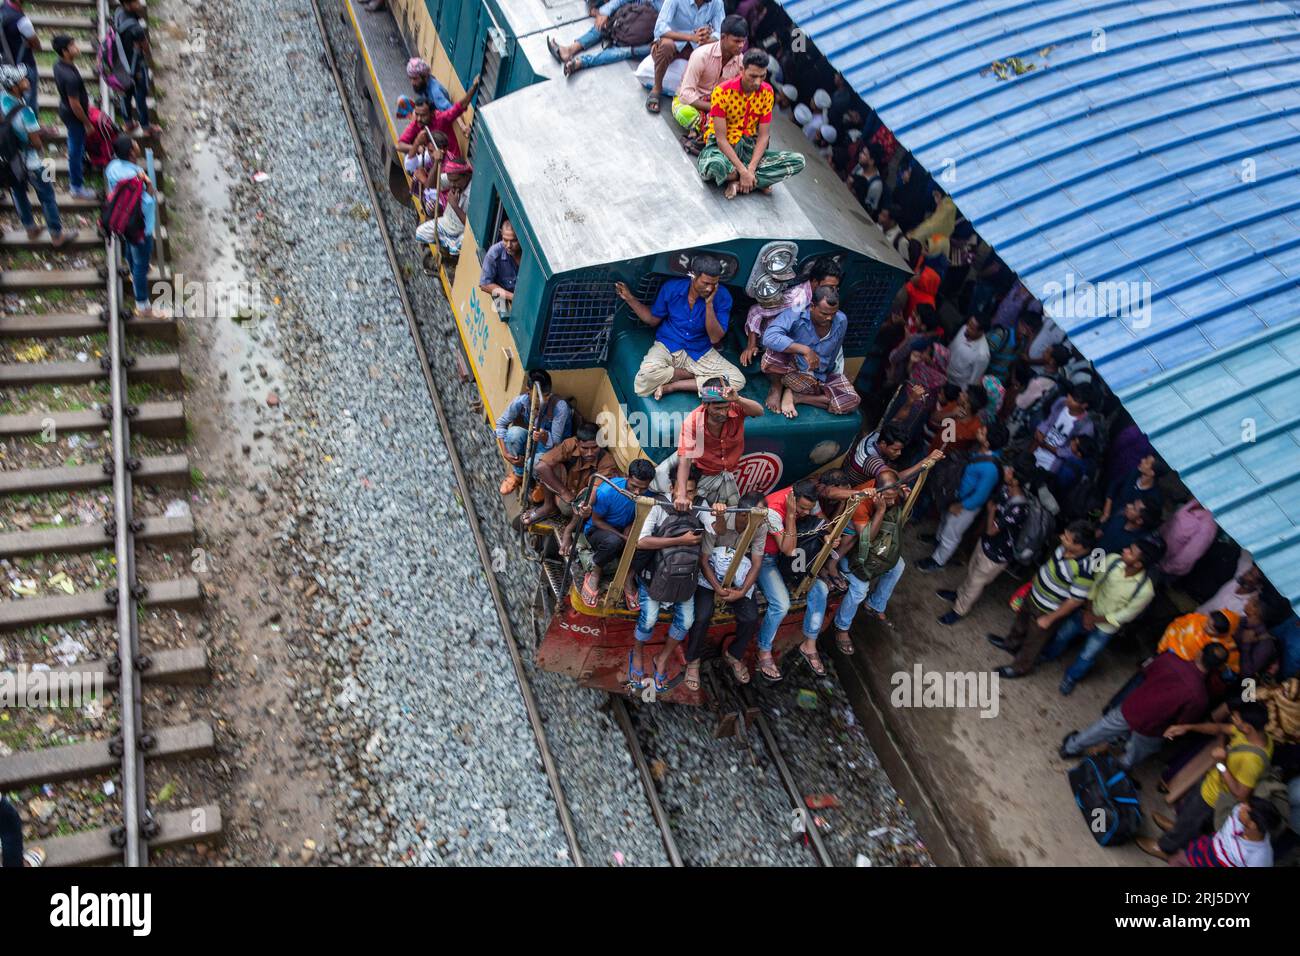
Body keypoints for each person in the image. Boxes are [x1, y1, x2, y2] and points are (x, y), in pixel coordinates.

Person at [1139, 701, 1275, 860]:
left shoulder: (1253, 761)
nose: (1233, 719)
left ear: (1247, 727)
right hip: (1210, 782)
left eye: (1237, 719)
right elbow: (1219, 728)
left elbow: (1241, 795)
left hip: (1213, 798)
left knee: (1192, 818)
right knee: (1187, 813)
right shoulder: (1253, 734)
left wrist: (1222, 764)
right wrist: (1188, 727)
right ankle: (1178, 829)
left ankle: (1165, 847)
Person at [1059, 643, 1226, 772]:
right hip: (1154, 728)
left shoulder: (1169, 659)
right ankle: (1117, 768)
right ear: (1217, 668)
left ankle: (1070, 748)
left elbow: (1145, 671)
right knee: (1136, 753)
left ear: (1199, 652)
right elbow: (1182, 723)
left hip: (1135, 706)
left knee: (1103, 728)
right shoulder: (1200, 696)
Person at [805, 472, 908, 657]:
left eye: (894, 497)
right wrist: (881, 510)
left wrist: (902, 499)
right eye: (888, 499)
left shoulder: (892, 491)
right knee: (860, 588)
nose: (892, 502)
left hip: (868, 547)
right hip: (852, 553)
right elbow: (866, 539)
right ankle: (842, 628)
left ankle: (875, 605)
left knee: (898, 565)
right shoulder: (861, 501)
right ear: (878, 491)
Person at [1042, 535, 1162, 695]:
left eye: (1130, 552)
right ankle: (1048, 655)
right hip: (1088, 610)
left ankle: (1071, 677)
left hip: (1106, 626)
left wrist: (1094, 619)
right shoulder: (1112, 560)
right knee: (1063, 634)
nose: (1125, 550)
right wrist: (1088, 611)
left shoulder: (1146, 590)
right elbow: (1093, 583)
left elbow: (1126, 615)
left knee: (1088, 654)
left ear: (1138, 564)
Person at [620, 254, 745, 399]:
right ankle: (687, 375)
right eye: (706, 283)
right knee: (643, 383)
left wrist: (709, 304)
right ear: (693, 276)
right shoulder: (672, 288)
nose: (710, 288)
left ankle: (675, 386)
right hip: (668, 345)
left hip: (700, 350)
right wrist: (630, 299)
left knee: (737, 382)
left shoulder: (722, 296)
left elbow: (714, 338)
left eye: (714, 284)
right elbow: (652, 319)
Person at [989, 520, 1099, 679]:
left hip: (1047, 609)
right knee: (1021, 622)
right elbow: (1050, 565)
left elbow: (1076, 600)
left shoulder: (1086, 569)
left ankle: (1020, 667)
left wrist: (1050, 618)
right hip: (1034, 595)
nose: (1062, 538)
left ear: (1080, 546)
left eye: (1067, 538)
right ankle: (1011, 644)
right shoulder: (1064, 548)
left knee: (1034, 641)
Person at [683, 490, 767, 689]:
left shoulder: (760, 527)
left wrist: (742, 590)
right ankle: (693, 659)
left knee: (750, 617)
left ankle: (734, 654)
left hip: (738, 576)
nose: (764, 518)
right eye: (761, 514)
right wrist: (717, 588)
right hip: (710, 576)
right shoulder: (720, 519)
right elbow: (703, 561)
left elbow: (756, 563)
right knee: (702, 616)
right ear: (743, 514)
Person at [697, 49, 806, 199]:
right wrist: (743, 171)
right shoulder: (722, 92)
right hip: (722, 148)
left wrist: (751, 169)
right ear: (742, 70)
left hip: (749, 149)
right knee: (717, 165)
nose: (758, 82)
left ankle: (738, 183)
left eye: (762, 76)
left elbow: (763, 137)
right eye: (753, 76)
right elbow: (721, 139)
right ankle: (750, 180)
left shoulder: (767, 92)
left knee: (798, 161)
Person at [638, 470, 710, 691]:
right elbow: (641, 542)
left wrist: (719, 514)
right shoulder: (658, 505)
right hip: (655, 574)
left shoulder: (700, 505)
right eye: (682, 491)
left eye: (691, 492)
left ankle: (662, 658)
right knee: (650, 618)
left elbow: (717, 529)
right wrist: (680, 540)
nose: (687, 498)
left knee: (687, 621)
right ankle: (638, 652)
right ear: (671, 489)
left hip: (684, 578)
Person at [937, 461, 1029, 624]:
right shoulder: (1007, 490)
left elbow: (991, 530)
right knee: (972, 572)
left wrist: (991, 511)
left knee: (976, 582)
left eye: (1010, 471)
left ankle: (959, 610)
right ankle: (960, 593)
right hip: (988, 544)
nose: (1007, 470)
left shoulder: (1019, 509)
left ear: (1016, 481)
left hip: (997, 553)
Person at [656, 378, 762, 509]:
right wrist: (682, 495)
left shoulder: (736, 406)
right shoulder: (693, 422)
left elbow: (759, 411)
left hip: (726, 470)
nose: (723, 413)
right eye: (717, 408)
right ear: (705, 404)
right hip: (702, 468)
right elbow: (685, 461)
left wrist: (737, 399)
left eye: (725, 407)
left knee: (728, 512)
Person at [0, 66, 76, 246]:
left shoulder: (2, 99)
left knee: (18, 192)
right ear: (14, 86)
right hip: (32, 162)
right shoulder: (26, 112)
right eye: (23, 79)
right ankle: (57, 235)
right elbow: (36, 144)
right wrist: (40, 134)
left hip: (11, 161)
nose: (27, 80)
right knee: (47, 195)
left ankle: (30, 228)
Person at [917, 421, 1008, 571]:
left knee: (951, 533)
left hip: (966, 506)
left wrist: (960, 505)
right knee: (945, 521)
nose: (978, 430)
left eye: (982, 431)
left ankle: (937, 561)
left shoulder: (990, 468)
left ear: (986, 442)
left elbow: (980, 496)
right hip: (957, 497)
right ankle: (937, 539)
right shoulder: (983, 451)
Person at [753, 479, 820, 682]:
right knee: (781, 605)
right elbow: (789, 550)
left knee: (818, 587)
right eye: (802, 508)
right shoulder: (774, 510)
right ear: (792, 499)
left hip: (788, 556)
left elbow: (817, 518)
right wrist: (791, 515)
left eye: (808, 509)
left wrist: (826, 536)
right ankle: (764, 651)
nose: (806, 512)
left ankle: (810, 643)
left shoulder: (805, 498)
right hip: (766, 559)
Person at [760, 285, 860, 419]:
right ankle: (776, 388)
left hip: (815, 379)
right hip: (791, 372)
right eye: (824, 313)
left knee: (851, 401)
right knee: (773, 353)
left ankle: (797, 397)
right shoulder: (796, 313)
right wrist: (805, 350)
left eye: (833, 313)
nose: (829, 318)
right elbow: (769, 337)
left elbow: (835, 351)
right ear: (812, 306)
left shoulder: (841, 320)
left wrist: (829, 378)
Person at [568, 458, 656, 608]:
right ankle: (595, 571)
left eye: (642, 488)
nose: (637, 492)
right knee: (614, 541)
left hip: (623, 531)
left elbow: (635, 518)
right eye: (634, 486)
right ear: (627, 477)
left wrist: (630, 531)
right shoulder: (608, 491)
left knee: (649, 543)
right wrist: (623, 536)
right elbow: (597, 521)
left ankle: (629, 577)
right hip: (598, 531)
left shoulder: (647, 495)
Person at [740, 257, 842, 367]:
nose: (833, 291)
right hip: (776, 341)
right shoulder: (797, 298)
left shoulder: (826, 300)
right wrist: (751, 345)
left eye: (836, 287)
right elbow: (755, 312)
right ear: (815, 282)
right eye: (829, 287)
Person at [494, 370, 572, 496]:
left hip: (553, 446)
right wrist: (505, 452)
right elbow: (501, 424)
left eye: (547, 396)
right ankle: (519, 473)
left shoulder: (560, 407)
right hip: (534, 438)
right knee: (513, 434)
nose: (544, 400)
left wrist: (544, 436)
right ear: (528, 391)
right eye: (538, 397)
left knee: (533, 463)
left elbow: (556, 442)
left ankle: (540, 481)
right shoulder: (521, 402)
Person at [105, 135, 158, 315]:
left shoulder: (112, 168)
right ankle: (142, 304)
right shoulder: (136, 176)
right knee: (141, 263)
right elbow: (146, 204)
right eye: (134, 144)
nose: (136, 144)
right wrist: (150, 189)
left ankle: (130, 266)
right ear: (131, 153)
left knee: (129, 246)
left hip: (123, 220)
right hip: (141, 226)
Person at [527, 422, 618, 526]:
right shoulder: (571, 444)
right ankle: (549, 505)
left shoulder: (607, 462)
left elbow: (593, 491)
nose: (590, 453)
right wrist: (563, 492)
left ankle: (555, 501)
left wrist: (584, 506)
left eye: (594, 448)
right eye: (584, 448)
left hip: (580, 499)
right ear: (577, 443)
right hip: (566, 487)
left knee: (567, 510)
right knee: (541, 466)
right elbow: (541, 467)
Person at [671, 14, 746, 140]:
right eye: (737, 41)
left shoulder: (741, 62)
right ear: (723, 37)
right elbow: (685, 94)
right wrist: (715, 109)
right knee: (685, 113)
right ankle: (707, 132)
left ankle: (700, 132)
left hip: (718, 107)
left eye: (743, 41)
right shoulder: (701, 55)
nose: (741, 45)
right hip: (693, 104)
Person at [645, 0, 725, 113]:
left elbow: (721, 33)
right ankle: (657, 88)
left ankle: (697, 98)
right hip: (673, 43)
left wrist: (707, 39)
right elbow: (660, 28)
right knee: (667, 45)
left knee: (719, 49)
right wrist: (691, 37)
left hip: (697, 46)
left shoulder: (716, 2)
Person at [548, 0, 660, 77]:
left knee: (624, 52)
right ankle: (570, 50)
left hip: (644, 40)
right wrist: (605, 12)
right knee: (604, 24)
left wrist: (636, 50)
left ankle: (581, 62)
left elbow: (668, 38)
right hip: (627, 20)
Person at [1173, 797, 1280, 867]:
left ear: (1252, 825)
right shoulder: (1238, 811)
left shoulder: (1260, 858)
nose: (1241, 806)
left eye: (1245, 809)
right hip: (1205, 847)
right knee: (1175, 861)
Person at [51, 35, 96, 201]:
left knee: (77, 145)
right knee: (75, 151)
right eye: (72, 45)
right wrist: (87, 122)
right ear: (64, 51)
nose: (76, 47)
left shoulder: (58, 64)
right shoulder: (69, 76)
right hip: (74, 116)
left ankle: (80, 166)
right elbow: (75, 105)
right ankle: (76, 187)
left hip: (65, 111)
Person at [396, 79, 480, 165]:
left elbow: (461, 105)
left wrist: (474, 87)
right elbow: (399, 145)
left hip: (452, 164)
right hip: (434, 166)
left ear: (432, 113)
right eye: (417, 114)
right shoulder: (416, 124)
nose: (418, 119)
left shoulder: (441, 118)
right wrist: (417, 147)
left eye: (423, 115)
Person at [844, 418, 942, 486]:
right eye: (895, 450)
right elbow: (894, 480)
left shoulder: (876, 435)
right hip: (854, 488)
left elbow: (897, 419)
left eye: (900, 449)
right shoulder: (871, 459)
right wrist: (926, 460)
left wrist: (910, 401)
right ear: (883, 444)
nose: (899, 453)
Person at [112, 0, 160, 135]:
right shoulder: (136, 28)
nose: (139, 3)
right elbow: (146, 47)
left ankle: (128, 123)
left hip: (121, 65)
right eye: (136, 1)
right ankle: (145, 127)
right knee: (140, 95)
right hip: (136, 66)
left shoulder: (118, 12)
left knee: (125, 94)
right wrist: (141, 49)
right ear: (128, 3)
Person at [1030, 382, 1095, 474]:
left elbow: (1070, 453)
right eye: (1070, 395)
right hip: (1038, 447)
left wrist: (1045, 444)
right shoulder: (1061, 403)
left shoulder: (1086, 427)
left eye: (1074, 399)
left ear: (1084, 405)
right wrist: (1040, 431)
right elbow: (1049, 421)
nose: (1069, 399)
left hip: (1052, 461)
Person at [1158, 609, 1242, 675]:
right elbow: (1177, 624)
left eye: (1211, 628)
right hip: (1164, 649)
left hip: (1175, 667)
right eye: (1207, 621)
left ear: (1223, 634)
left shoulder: (1219, 648)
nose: (1205, 626)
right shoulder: (1198, 618)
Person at [1160, 498, 1218, 580]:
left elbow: (1190, 554)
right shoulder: (1196, 502)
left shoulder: (1209, 525)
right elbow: (1173, 520)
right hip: (1158, 549)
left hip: (1167, 564)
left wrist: (1166, 567)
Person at [1099, 453, 1165, 524]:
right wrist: (1107, 510)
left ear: (1152, 473)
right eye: (1145, 458)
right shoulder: (1134, 473)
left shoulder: (1154, 497)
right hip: (1108, 511)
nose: (1142, 460)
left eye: (1146, 462)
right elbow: (1114, 484)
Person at [1, 0, 38, 110]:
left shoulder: (2, 8)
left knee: (10, 102)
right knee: (28, 104)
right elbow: (37, 45)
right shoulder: (22, 21)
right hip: (24, 67)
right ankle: (30, 125)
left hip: (4, 66)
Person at [479, 219, 522, 313]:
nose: (509, 245)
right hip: (506, 301)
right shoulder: (494, 253)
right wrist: (513, 297)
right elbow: (485, 284)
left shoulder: (526, 254)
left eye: (513, 241)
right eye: (505, 240)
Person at [946, 315, 991, 388]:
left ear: (981, 332)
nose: (967, 328)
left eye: (971, 328)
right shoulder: (964, 328)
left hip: (955, 385)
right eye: (968, 324)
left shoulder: (982, 355)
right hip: (945, 371)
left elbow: (973, 381)